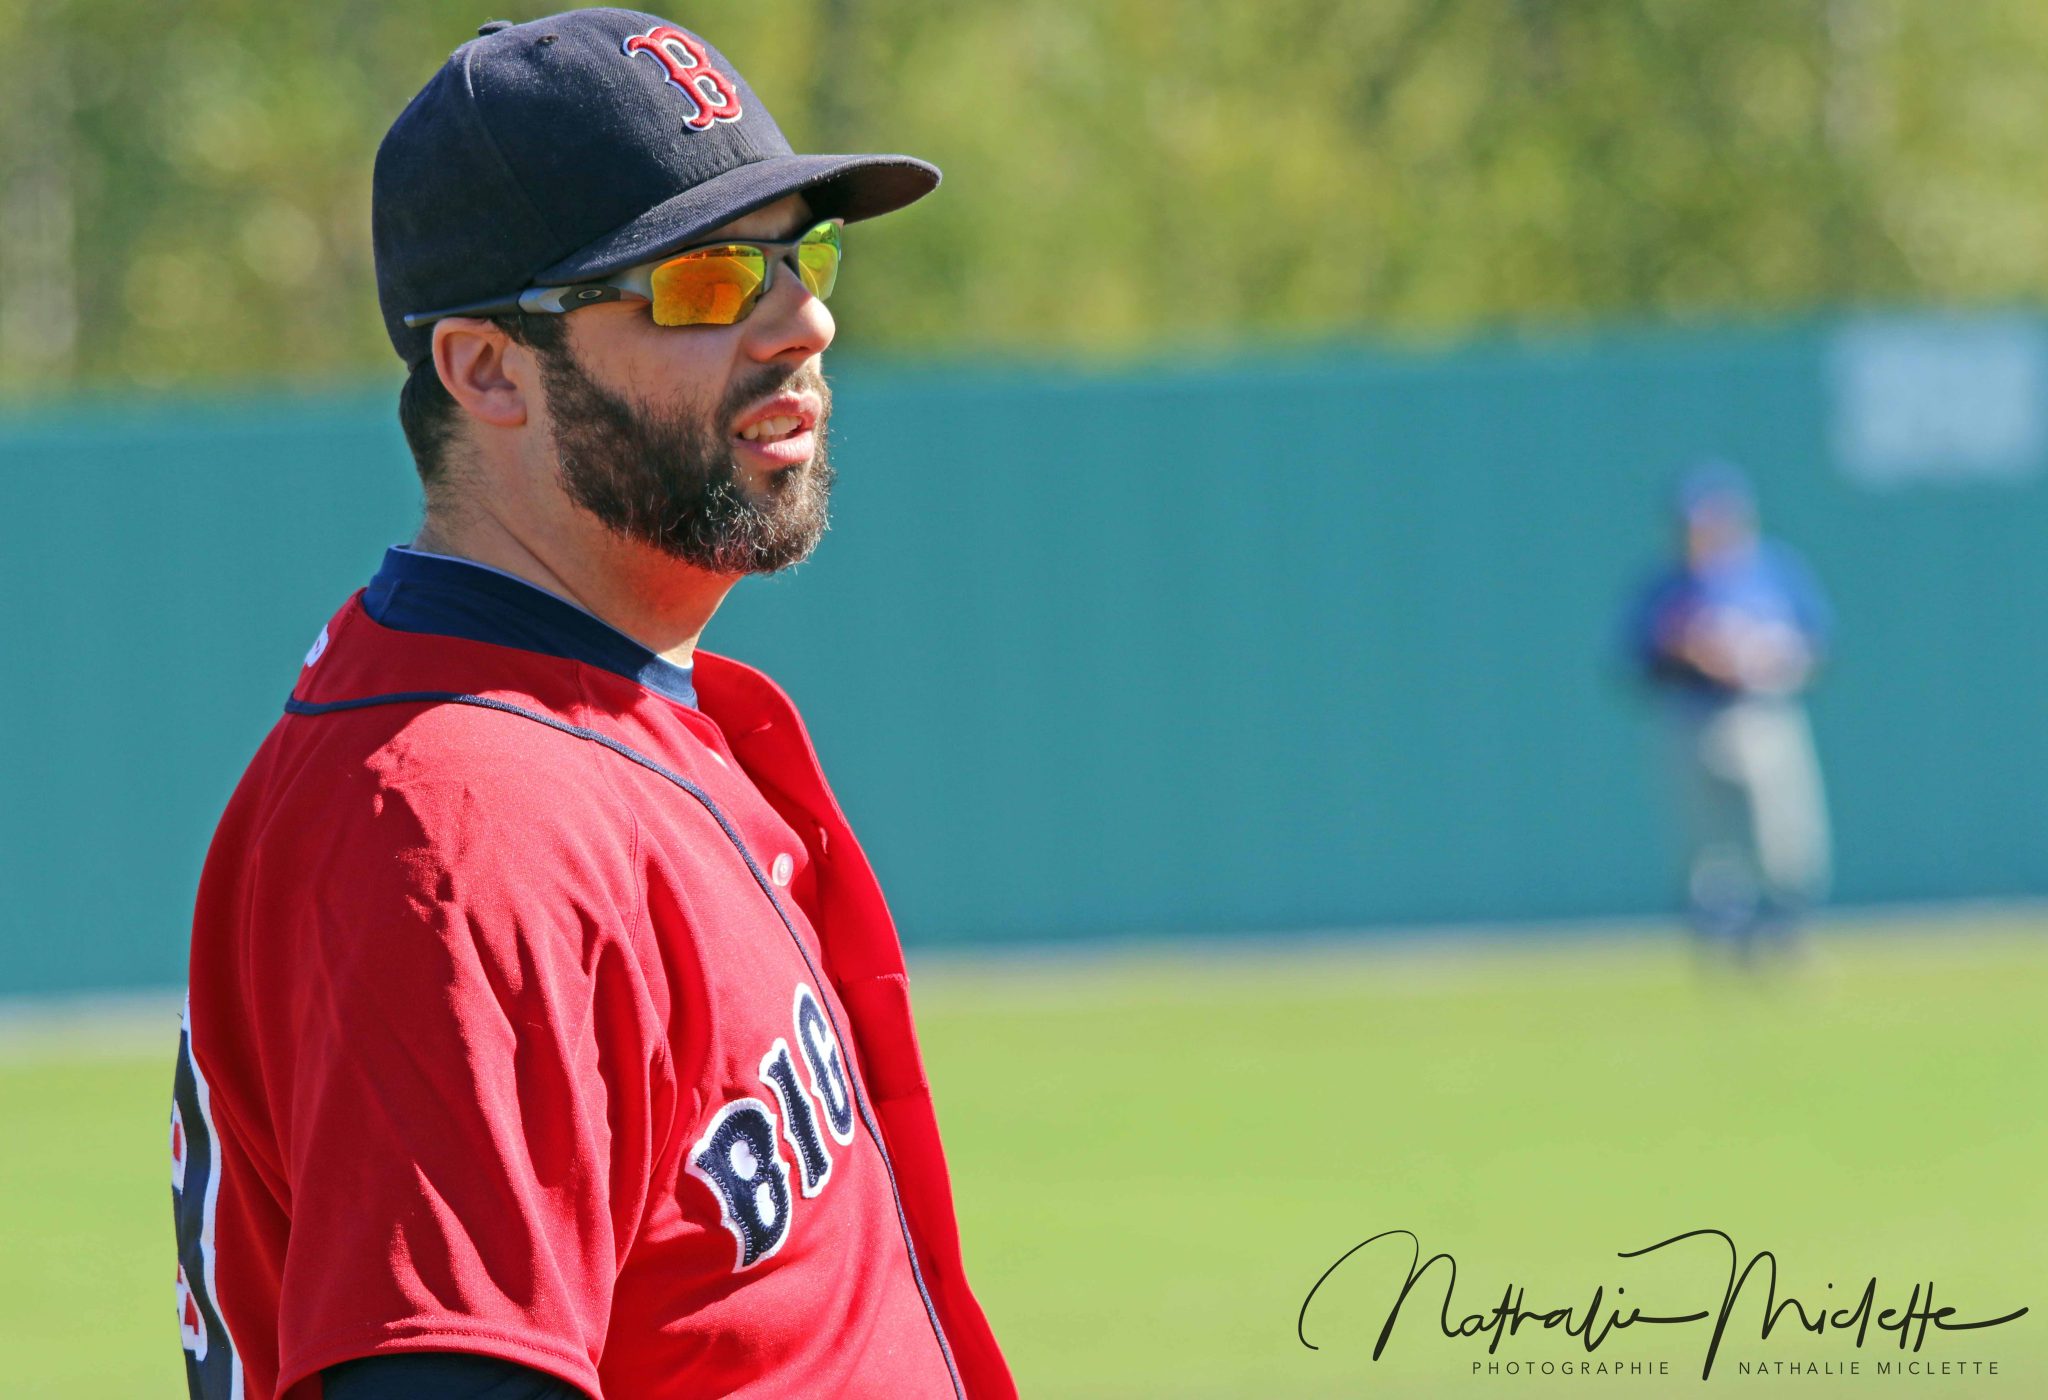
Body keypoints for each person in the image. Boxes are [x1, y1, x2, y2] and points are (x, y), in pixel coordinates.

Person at [172, 12, 1013, 1399]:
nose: (805, 318)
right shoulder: (459, 828)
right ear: (486, 370)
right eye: (702, 281)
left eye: (805, 255)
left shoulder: (576, 725)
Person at [1627, 463, 1833, 964]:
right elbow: (1635, 659)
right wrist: (1687, 651)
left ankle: (1785, 939)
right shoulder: (1667, 585)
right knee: (1710, 850)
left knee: (1786, 841)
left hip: (1762, 712)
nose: (1708, 532)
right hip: (1694, 718)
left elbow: (1818, 644)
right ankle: (1723, 951)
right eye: (1698, 522)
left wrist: (1767, 658)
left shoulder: (1773, 571)